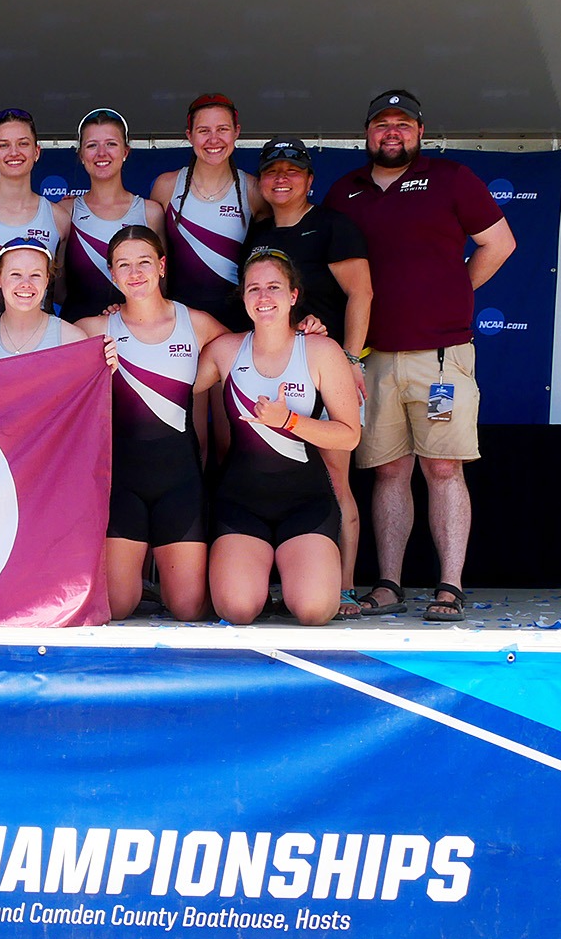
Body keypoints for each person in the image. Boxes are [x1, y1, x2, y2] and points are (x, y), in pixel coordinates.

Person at [324, 90, 516, 622]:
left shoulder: (452, 179)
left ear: (420, 131)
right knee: (387, 472)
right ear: (367, 133)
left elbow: (500, 244)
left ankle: (449, 586)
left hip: (439, 359)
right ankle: (388, 585)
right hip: (374, 357)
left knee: (443, 467)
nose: (392, 133)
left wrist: (456, 293)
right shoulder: (345, 192)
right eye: (381, 124)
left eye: (402, 124)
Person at [242, 136, 374, 618]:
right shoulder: (257, 232)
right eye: (273, 170)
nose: (282, 178)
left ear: (309, 180)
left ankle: (344, 587)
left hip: (327, 369)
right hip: (274, 373)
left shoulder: (332, 225)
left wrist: (353, 358)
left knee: (334, 480)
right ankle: (294, 580)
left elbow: (361, 294)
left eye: (292, 171)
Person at [194, 249, 361, 626]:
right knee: (236, 609)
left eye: (273, 287)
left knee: (315, 610)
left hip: (305, 503)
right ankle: (259, 582)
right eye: (253, 289)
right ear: (243, 298)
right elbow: (171, 380)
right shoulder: (224, 350)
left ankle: (296, 580)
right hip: (241, 505)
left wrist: (289, 420)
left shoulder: (320, 350)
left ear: (293, 296)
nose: (263, 297)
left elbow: (349, 436)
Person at [78, 226, 227, 621]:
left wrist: (312, 339)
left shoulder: (197, 325)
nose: (135, 272)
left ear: (161, 266)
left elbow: (258, 350)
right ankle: (140, 586)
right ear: (111, 274)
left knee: (188, 608)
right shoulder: (93, 331)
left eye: (144, 262)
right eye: (123, 265)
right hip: (120, 485)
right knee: (117, 607)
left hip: (179, 483)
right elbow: (31, 346)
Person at [150, 93, 265, 331]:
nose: (214, 139)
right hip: (180, 319)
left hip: (237, 320)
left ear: (236, 132)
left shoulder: (254, 189)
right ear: (189, 135)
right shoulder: (167, 186)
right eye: (204, 131)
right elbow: (153, 256)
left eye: (222, 129)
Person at [0, 108, 72, 316]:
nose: (14, 152)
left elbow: (63, 293)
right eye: (4, 145)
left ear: (37, 152)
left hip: (45, 344)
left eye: (23, 143)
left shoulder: (59, 218)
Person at [59, 108, 167, 322]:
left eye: (111, 144)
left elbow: (162, 285)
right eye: (92, 145)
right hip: (78, 332)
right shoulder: (64, 212)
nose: (102, 153)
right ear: (81, 155)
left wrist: (128, 309)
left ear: (125, 152)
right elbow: (57, 289)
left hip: (138, 331)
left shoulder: (150, 212)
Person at [0, 238, 104, 361]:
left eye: (35, 275)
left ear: (47, 280)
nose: (26, 284)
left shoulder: (72, 338)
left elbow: (90, 382)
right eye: (15, 274)